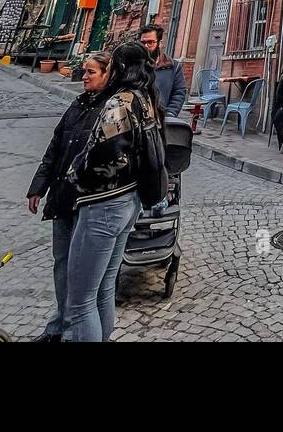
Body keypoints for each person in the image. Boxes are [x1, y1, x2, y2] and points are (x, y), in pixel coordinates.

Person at [63, 41, 166, 341]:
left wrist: (72, 176)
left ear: (120, 68)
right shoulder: (148, 100)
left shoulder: (121, 102)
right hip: (130, 201)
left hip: (104, 202)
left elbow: (99, 153)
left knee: (81, 300)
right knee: (105, 287)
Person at [27, 50, 110, 342]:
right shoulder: (78, 104)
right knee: (62, 265)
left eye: (91, 72)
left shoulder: (110, 111)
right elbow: (56, 146)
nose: (83, 76)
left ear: (107, 74)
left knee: (83, 274)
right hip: (62, 197)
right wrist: (39, 185)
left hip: (86, 202)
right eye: (84, 71)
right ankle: (60, 325)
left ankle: (73, 330)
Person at [138, 23, 187, 116]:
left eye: (150, 42)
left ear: (159, 43)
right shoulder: (133, 64)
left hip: (160, 119)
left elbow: (179, 92)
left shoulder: (173, 67)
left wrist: (171, 114)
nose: (146, 46)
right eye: (143, 43)